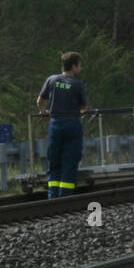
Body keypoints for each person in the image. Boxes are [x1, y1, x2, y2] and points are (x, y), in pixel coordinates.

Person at [37, 52, 87, 199]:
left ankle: (52, 196)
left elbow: (40, 101)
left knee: (54, 159)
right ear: (74, 66)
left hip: (55, 124)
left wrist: (43, 111)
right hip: (72, 124)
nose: (80, 68)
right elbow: (84, 107)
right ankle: (65, 197)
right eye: (80, 65)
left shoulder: (51, 80)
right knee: (70, 161)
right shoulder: (77, 85)